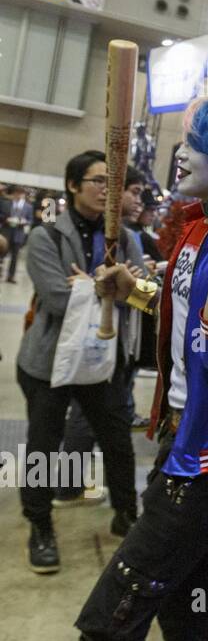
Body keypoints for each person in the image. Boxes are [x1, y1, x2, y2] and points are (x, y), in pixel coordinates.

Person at [75, 95, 208, 641]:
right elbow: (188, 312)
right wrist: (134, 290)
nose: (180, 152)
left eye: (197, 144)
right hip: (179, 434)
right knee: (188, 609)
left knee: (109, 623)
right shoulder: (199, 228)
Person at [16, 152, 144, 573]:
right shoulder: (46, 236)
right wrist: (108, 287)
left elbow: (142, 292)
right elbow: (56, 297)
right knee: (43, 444)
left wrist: (92, 285)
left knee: (117, 439)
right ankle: (40, 526)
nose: (108, 189)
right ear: (73, 186)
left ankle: (126, 514)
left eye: (113, 182)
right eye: (98, 181)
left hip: (103, 360)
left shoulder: (125, 238)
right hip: (49, 362)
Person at [53, 165, 151, 518]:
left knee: (111, 427)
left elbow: (141, 291)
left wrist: (129, 285)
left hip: (117, 344)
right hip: (77, 342)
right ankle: (68, 486)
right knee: (83, 418)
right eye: (133, 191)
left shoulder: (127, 238)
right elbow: (62, 289)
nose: (137, 201)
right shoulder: (66, 232)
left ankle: (121, 509)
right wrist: (97, 286)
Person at [1, 185, 34, 283]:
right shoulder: (7, 203)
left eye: (21, 194)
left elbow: (30, 220)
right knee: (2, 254)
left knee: (15, 257)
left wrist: (24, 222)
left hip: (18, 234)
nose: (18, 196)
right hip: (6, 232)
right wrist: (6, 219)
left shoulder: (28, 207)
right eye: (17, 193)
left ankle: (11, 276)